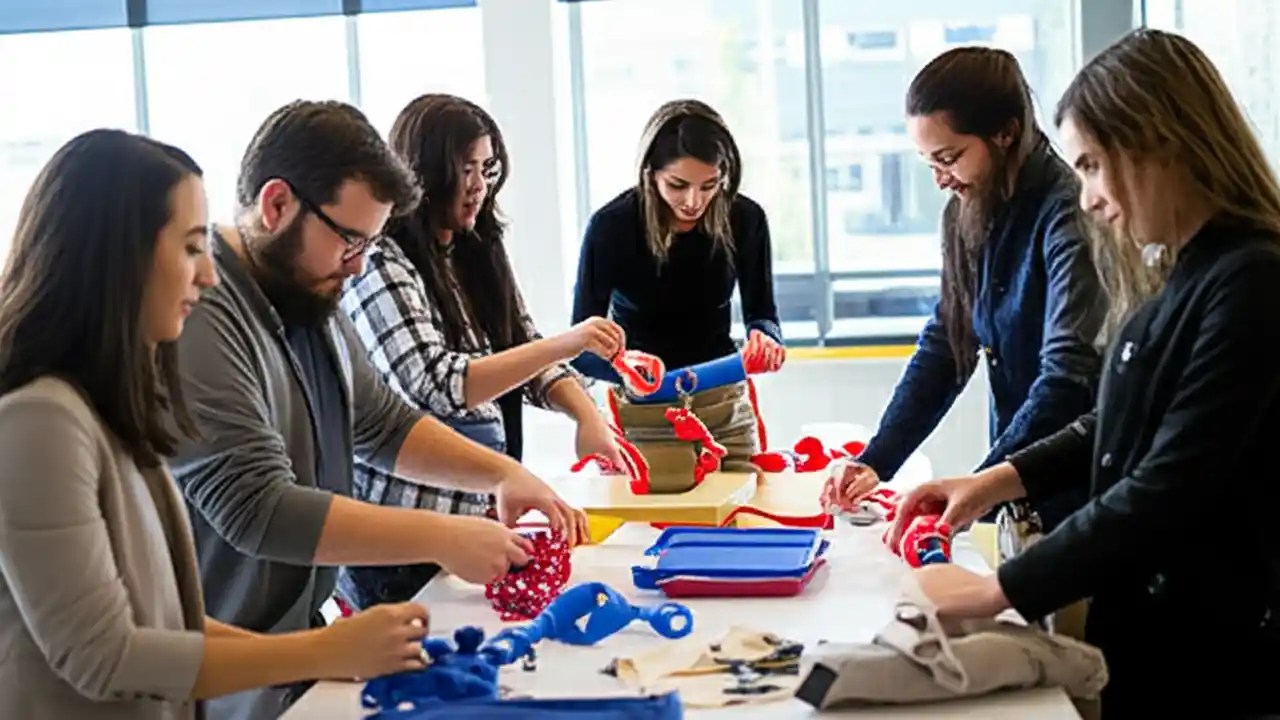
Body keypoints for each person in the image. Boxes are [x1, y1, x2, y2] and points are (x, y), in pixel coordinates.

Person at [888, 29, 1280, 716]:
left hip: (1215, 650)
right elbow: (1117, 423)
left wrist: (993, 591)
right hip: (1147, 630)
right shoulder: (1187, 273)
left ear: (1161, 146)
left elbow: (1169, 480)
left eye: (1095, 165)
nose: (1091, 197)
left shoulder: (1253, 281)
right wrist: (994, 482)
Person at [166, 100, 588, 720]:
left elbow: (380, 422)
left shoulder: (309, 292)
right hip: (229, 670)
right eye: (350, 239)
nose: (359, 264)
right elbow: (256, 509)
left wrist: (501, 474)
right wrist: (444, 535)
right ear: (276, 204)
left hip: (295, 649)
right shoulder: (204, 308)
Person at [0, 129, 433, 719]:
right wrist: (318, 650)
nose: (207, 276)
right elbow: (104, 655)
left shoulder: (104, 405)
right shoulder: (40, 420)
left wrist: (321, 653)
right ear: (117, 256)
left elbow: (166, 615)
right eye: (190, 248)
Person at [338, 93, 626, 609]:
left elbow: (523, 348)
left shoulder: (474, 247)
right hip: (401, 544)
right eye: (465, 168)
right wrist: (573, 339)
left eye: (487, 167)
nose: (479, 184)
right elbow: (439, 383)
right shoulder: (380, 259)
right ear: (421, 173)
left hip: (469, 525)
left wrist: (588, 417)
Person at [823, 47, 1104, 533]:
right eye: (928, 162)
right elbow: (948, 346)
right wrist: (876, 460)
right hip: (1017, 483)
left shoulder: (1069, 214)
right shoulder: (965, 209)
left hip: (1082, 483)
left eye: (949, 158)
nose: (940, 180)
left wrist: (973, 490)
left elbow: (1065, 379)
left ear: (1006, 134)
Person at [570, 99, 785, 469]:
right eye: (678, 185)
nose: (693, 201)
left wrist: (766, 338)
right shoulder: (612, 227)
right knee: (653, 519)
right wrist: (622, 366)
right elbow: (579, 348)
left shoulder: (746, 219)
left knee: (738, 511)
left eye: (710, 185)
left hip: (723, 401)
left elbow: (763, 314)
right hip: (642, 409)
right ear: (650, 173)